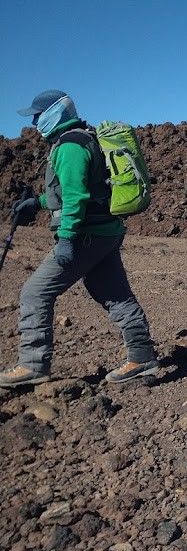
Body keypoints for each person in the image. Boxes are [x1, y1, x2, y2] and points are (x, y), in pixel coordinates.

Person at [0, 90, 159, 389]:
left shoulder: (70, 146)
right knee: (114, 294)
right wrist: (37, 202)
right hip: (106, 232)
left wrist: (66, 239)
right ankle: (141, 356)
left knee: (35, 293)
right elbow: (75, 192)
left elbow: (75, 198)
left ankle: (32, 365)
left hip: (86, 236)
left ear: (54, 113)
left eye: (37, 114)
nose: (34, 122)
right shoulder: (83, 138)